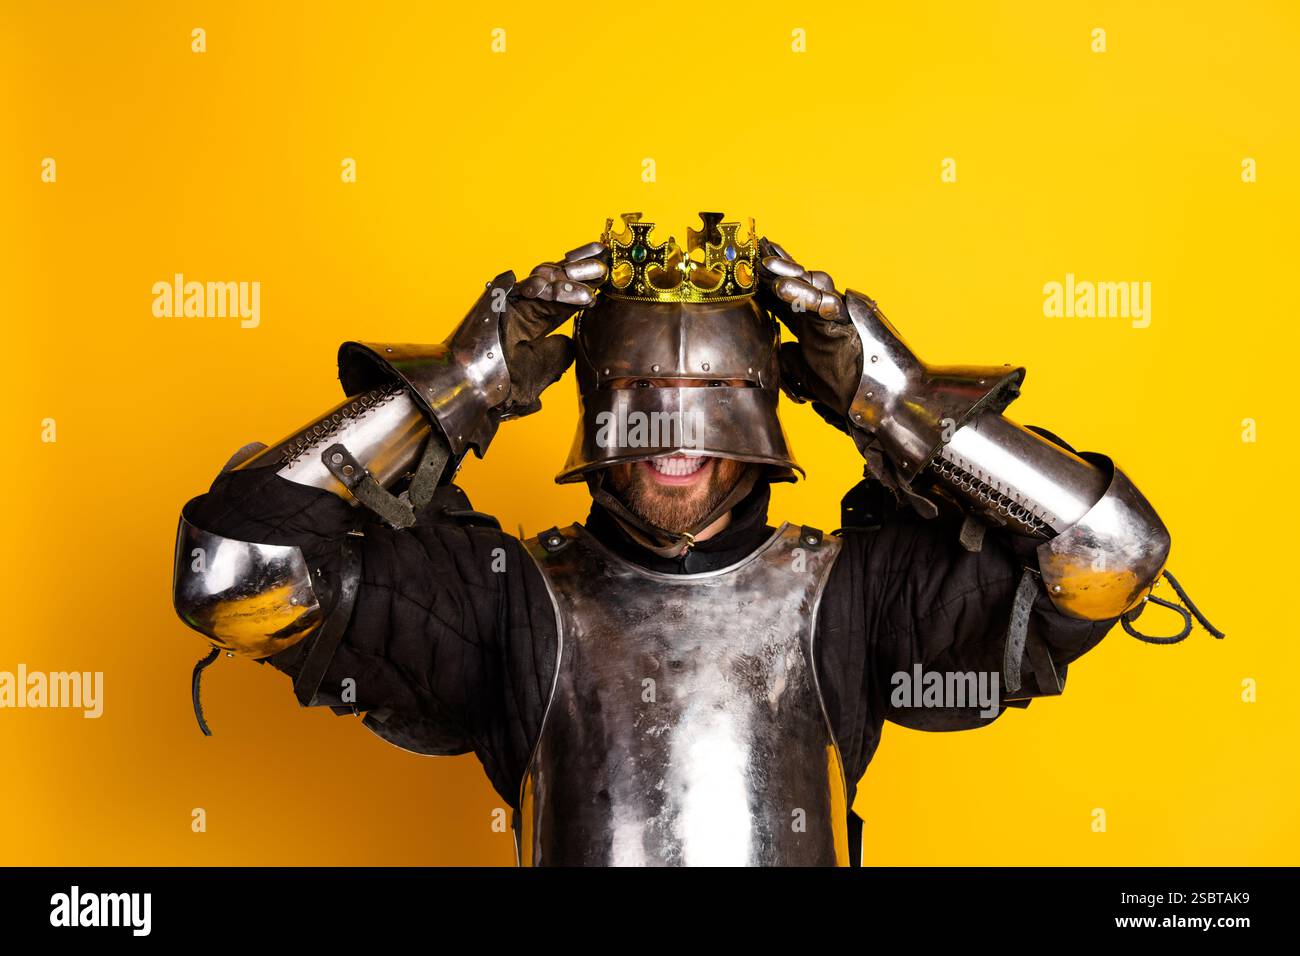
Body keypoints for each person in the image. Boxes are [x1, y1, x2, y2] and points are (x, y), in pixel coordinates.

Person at [172, 212, 1204, 866]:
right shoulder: (499, 597)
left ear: (759, 420)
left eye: (708, 407)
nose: (674, 440)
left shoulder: (855, 589)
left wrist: (897, 401)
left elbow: (1109, 550)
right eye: (643, 407)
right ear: (595, 425)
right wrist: (465, 378)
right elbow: (232, 569)